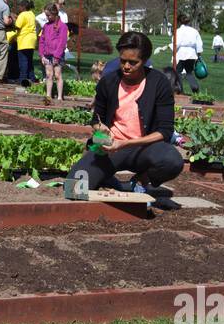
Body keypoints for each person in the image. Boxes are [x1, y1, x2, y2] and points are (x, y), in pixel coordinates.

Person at [66, 31, 183, 208]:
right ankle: (111, 180)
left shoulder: (159, 83)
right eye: (122, 61)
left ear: (144, 61)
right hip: (110, 147)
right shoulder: (108, 82)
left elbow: (165, 131)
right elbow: (96, 120)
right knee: (74, 188)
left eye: (133, 62)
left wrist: (126, 144)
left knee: (172, 160)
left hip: (144, 149)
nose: (126, 66)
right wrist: (101, 129)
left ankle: (141, 180)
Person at [38, 2, 69, 101]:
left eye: (48, 15)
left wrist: (57, 56)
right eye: (46, 15)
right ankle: (48, 96)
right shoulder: (46, 26)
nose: (47, 17)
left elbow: (62, 43)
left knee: (57, 75)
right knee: (48, 75)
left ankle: (60, 97)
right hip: (47, 55)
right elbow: (42, 40)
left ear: (55, 13)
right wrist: (42, 55)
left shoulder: (63, 26)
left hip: (57, 56)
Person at [171, 15, 203, 95]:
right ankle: (195, 87)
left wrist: (171, 48)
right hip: (191, 53)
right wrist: (199, 54)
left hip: (181, 53)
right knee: (189, 72)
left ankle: (180, 90)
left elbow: (176, 43)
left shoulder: (178, 31)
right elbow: (199, 43)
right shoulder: (194, 31)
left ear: (179, 22)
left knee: (178, 72)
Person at [14, 0, 37, 88]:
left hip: (24, 40)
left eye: (20, 6)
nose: (19, 8)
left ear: (23, 7)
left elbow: (17, 26)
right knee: (29, 60)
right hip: (32, 39)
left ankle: (22, 79)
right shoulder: (31, 14)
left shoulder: (22, 15)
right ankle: (32, 78)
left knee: (23, 61)